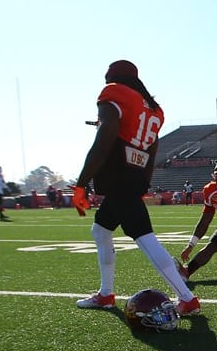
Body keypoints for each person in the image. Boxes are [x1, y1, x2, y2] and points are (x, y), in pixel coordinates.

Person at [72, 59, 200, 316]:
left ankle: (187, 298)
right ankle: (106, 293)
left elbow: (106, 136)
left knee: (144, 237)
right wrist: (144, 180)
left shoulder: (114, 92)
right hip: (133, 176)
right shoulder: (154, 109)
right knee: (100, 230)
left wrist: (81, 183)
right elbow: (151, 147)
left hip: (118, 175)